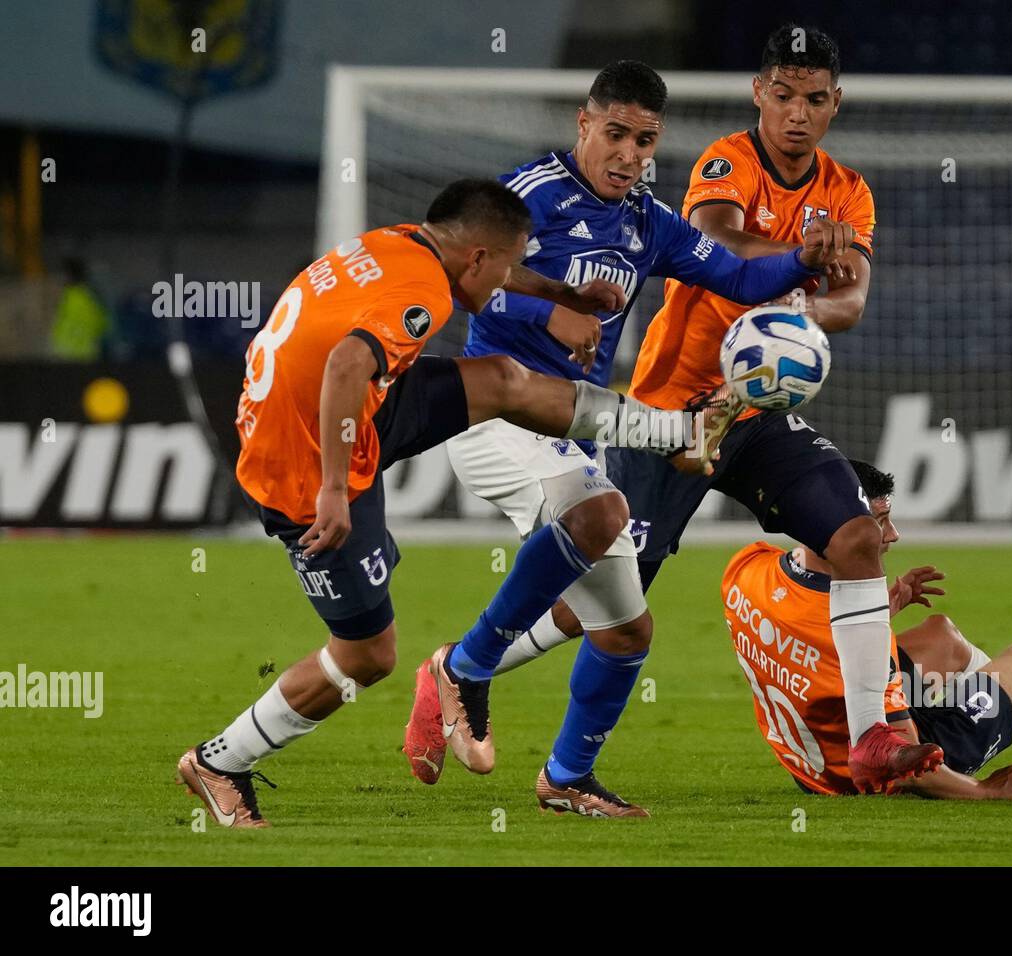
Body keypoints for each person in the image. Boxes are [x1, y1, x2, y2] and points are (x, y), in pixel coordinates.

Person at [176, 179, 731, 828]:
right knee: (368, 655)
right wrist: (332, 490)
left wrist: (560, 294)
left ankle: (671, 432)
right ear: (476, 259)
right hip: (303, 461)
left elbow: (381, 335)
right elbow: (347, 367)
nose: (510, 279)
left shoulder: (404, 243)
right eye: (509, 264)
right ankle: (220, 760)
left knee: (502, 380)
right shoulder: (420, 294)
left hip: (343, 413)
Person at [406, 60, 855, 817]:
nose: (628, 155)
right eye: (614, 134)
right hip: (496, 413)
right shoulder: (530, 195)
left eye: (644, 140)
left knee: (624, 629)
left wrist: (800, 263)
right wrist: (552, 313)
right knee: (599, 516)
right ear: (584, 124)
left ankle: (564, 778)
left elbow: (736, 279)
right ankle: (467, 669)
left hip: (575, 425)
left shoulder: (646, 220)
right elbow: (460, 272)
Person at [490, 25, 925, 797]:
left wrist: (803, 315)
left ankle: (871, 741)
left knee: (856, 533)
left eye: (814, 99)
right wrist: (802, 267)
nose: (797, 113)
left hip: (752, 409)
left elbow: (851, 299)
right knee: (608, 604)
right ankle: (462, 669)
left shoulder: (848, 191)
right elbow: (720, 245)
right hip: (669, 413)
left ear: (834, 104)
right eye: (783, 94)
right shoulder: (727, 161)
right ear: (760, 93)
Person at [720, 460, 1012, 799]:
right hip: (873, 773)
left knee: (939, 636)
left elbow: (808, 643)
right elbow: (904, 764)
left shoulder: (747, 568)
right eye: (879, 523)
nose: (891, 536)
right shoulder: (838, 638)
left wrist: (876, 611)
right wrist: (985, 791)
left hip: (813, 765)